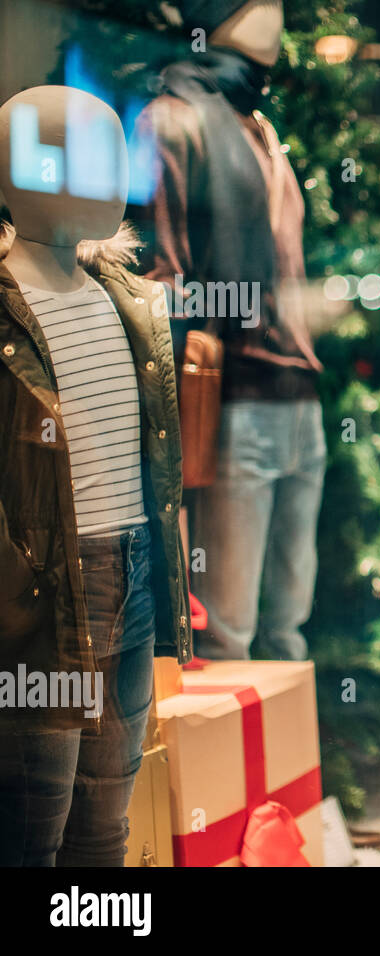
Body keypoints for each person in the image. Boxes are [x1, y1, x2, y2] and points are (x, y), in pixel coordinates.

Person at [0, 87, 191, 866]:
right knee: (29, 840)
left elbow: (156, 465)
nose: (112, 177)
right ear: (23, 172)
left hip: (133, 581)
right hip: (40, 607)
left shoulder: (130, 302)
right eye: (85, 156)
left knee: (106, 829)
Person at [136, 0, 326, 661]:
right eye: (252, 2)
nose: (272, 14)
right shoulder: (173, 120)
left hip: (300, 396)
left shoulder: (263, 128)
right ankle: (229, 764)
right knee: (226, 631)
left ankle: (291, 766)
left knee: (290, 628)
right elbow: (160, 278)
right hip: (235, 395)